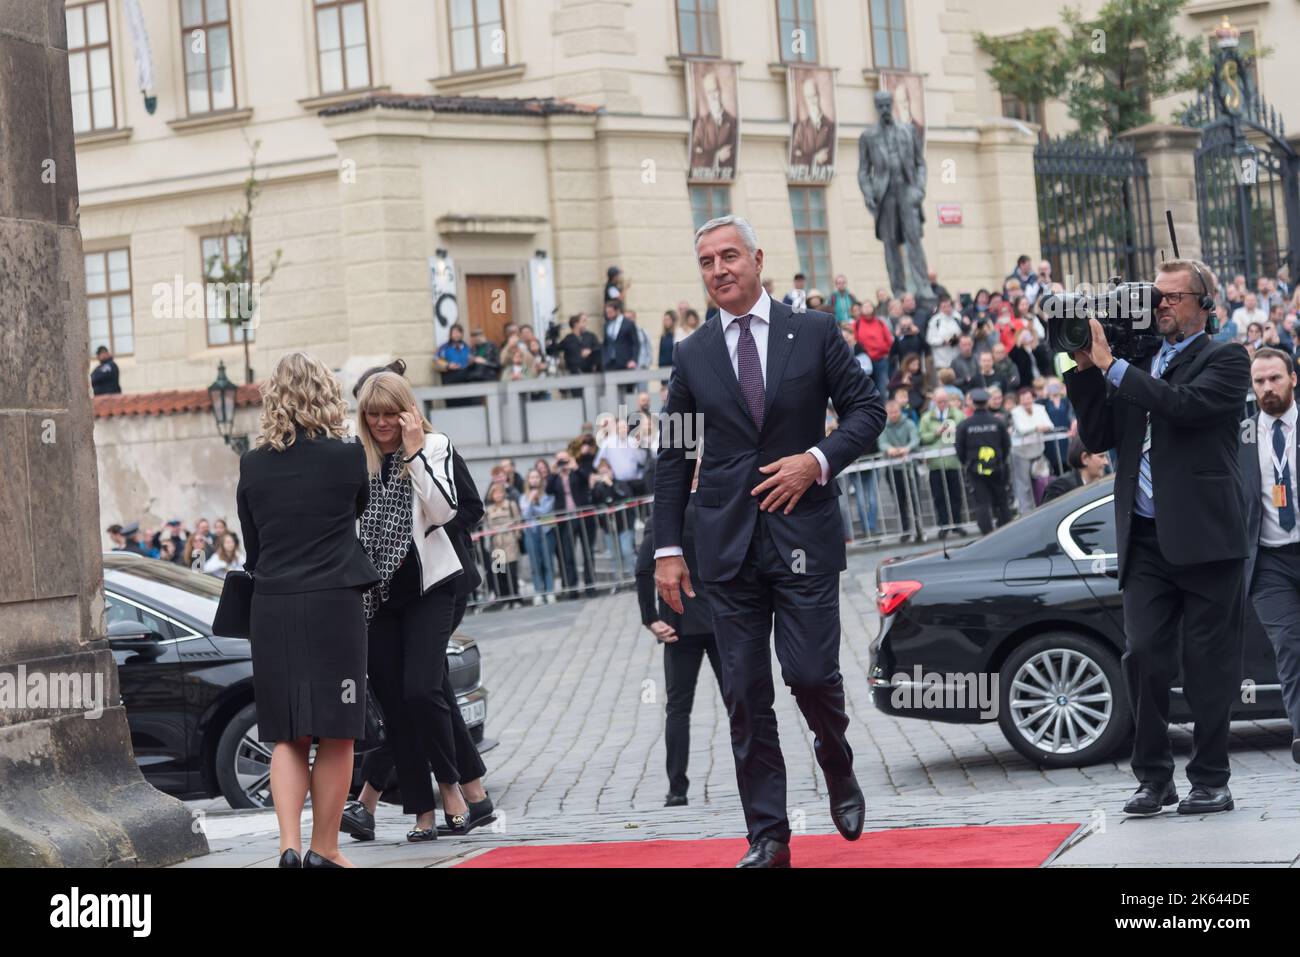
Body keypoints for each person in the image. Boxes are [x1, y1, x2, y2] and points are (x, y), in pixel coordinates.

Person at [654, 215, 884, 868]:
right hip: (725, 547)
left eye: (729, 256)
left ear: (757, 259)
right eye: (706, 262)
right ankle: (769, 836)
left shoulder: (810, 331)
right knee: (745, 695)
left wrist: (817, 458)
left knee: (811, 675)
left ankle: (836, 759)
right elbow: (672, 456)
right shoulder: (692, 352)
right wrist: (666, 549)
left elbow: (869, 410)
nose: (719, 269)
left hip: (805, 534)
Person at [1065, 257, 1250, 816]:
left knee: (1208, 665)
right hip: (1144, 537)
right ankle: (1153, 779)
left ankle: (1211, 779)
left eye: (1172, 296)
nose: (1161, 304)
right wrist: (1083, 368)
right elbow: (1097, 437)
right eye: (1156, 296)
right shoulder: (1135, 361)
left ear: (1203, 305)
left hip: (1207, 539)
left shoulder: (1225, 358)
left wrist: (1113, 367)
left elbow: (1182, 407)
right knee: (1143, 656)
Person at [235, 351, 381, 868]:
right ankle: (327, 848)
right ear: (325, 393)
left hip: (272, 607)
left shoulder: (252, 464)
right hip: (333, 607)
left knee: (286, 734)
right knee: (337, 731)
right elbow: (358, 508)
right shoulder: (346, 456)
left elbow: (252, 547)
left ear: (273, 397)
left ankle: (288, 846)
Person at [341, 361, 493, 843]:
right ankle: (424, 810)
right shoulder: (358, 461)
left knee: (423, 689)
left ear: (407, 412)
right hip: (379, 598)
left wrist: (413, 454)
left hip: (432, 589)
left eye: (390, 414)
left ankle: (452, 787)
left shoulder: (434, 447)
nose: (381, 424)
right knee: (399, 705)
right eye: (372, 416)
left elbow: (449, 509)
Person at [636, 462, 722, 806]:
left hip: (679, 624)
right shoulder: (717, 507)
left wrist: (650, 619)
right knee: (740, 704)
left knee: (678, 709)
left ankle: (677, 790)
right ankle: (754, 776)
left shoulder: (664, 513)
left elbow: (643, 568)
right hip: (720, 621)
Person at [1241, 348, 1300, 767]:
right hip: (1269, 563)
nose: (1267, 388)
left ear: (1292, 378)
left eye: (1274, 379)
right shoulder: (1239, 435)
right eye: (1259, 381)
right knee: (1290, 648)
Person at [955, 388, 1011, 535]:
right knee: (1002, 501)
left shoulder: (965, 425)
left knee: (982, 503)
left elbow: (959, 448)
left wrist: (967, 462)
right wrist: (1001, 460)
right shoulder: (997, 422)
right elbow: (1006, 445)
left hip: (975, 469)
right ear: (987, 403)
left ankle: (987, 534)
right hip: (997, 467)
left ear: (972, 404)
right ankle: (1007, 530)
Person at [918, 389, 967, 537]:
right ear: (934, 402)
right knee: (939, 496)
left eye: (945, 401)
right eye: (939, 401)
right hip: (935, 464)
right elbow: (922, 437)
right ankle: (944, 525)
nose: (943, 404)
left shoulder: (958, 415)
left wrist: (956, 431)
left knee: (956, 495)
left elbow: (964, 432)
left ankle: (957, 523)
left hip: (953, 462)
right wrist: (936, 432)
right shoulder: (926, 418)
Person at [1009, 387, 1053, 514]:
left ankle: (1043, 508)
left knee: (1042, 482)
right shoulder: (1015, 412)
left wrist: (1037, 428)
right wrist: (1038, 427)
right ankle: (1026, 513)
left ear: (1033, 398)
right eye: (1023, 399)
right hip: (1020, 453)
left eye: (1028, 398)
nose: (1026, 401)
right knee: (1024, 485)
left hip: (1038, 451)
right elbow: (1022, 429)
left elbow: (1050, 425)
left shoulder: (1040, 409)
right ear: (1019, 400)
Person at [520, 468, 558, 605]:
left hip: (546, 531)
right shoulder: (523, 497)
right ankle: (538, 592)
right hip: (531, 533)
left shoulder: (548, 496)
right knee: (535, 564)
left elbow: (544, 512)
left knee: (548, 562)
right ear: (528, 480)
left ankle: (550, 591)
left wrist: (536, 502)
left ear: (541, 480)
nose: (534, 480)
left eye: (536, 477)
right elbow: (525, 515)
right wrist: (530, 500)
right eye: (531, 477)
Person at [483, 483, 523, 604]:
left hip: (510, 541)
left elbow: (518, 521)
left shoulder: (511, 505)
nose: (498, 495)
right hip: (497, 544)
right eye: (495, 493)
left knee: (512, 571)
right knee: (500, 572)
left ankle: (516, 598)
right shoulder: (489, 510)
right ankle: (505, 599)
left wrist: (516, 536)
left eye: (500, 492)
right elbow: (487, 525)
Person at [1040, 436, 1109, 503]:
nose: (1106, 462)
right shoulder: (1060, 488)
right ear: (1085, 458)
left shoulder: (1102, 484)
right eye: (1101, 456)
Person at [602, 300, 639, 372]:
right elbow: (605, 344)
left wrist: (634, 360)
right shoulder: (606, 325)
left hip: (625, 362)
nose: (608, 315)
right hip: (609, 362)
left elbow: (635, 343)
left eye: (610, 312)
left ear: (617, 311)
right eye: (607, 313)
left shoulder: (628, 324)